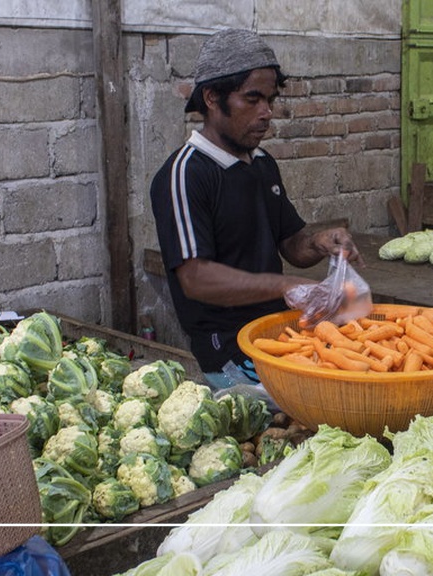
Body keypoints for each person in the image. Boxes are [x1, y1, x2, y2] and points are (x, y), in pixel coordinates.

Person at [149, 28, 361, 389]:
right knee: (329, 393)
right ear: (212, 98)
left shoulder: (261, 163)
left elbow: (290, 244)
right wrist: (286, 285)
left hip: (277, 333)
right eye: (253, 99)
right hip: (229, 352)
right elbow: (196, 279)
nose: (266, 113)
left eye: (270, 100)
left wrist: (318, 242)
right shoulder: (186, 173)